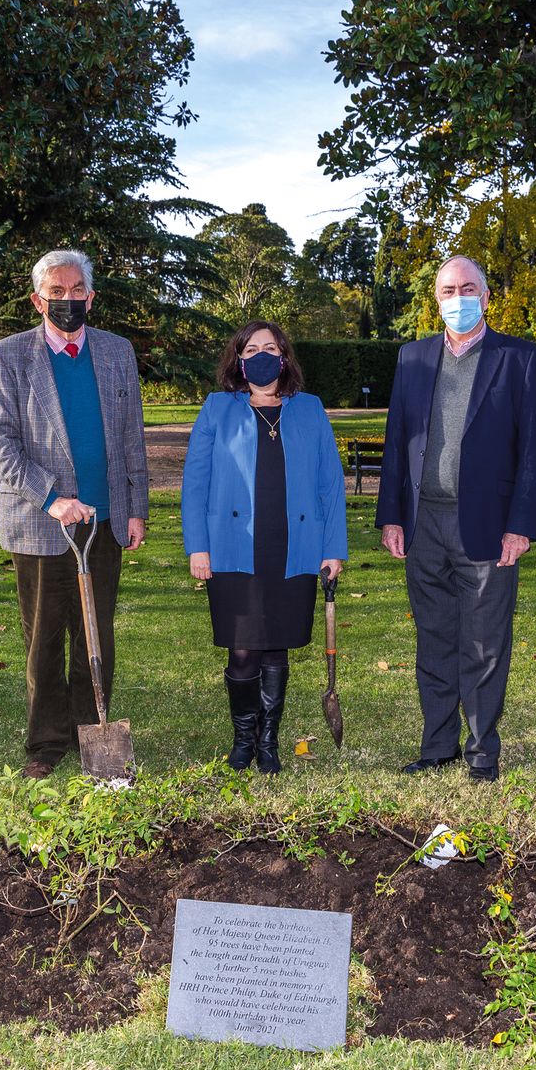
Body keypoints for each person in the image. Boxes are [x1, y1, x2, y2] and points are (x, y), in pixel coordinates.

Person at [376, 255, 536, 782]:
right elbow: (396, 444)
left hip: (489, 526)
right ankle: (437, 747)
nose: (458, 298)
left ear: (486, 296)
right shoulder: (413, 358)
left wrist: (520, 526)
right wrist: (392, 516)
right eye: (448, 290)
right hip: (423, 520)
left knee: (484, 642)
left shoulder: (519, 359)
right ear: (436, 299)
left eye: (468, 288)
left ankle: (481, 753)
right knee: (434, 638)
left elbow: (533, 453)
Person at [0, 249, 148, 779]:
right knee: (45, 636)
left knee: (97, 632)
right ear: (38, 299)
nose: (68, 300)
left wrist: (135, 507)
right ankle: (47, 744)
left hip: (104, 520)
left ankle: (90, 729)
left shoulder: (117, 352)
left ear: (91, 297)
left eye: (78, 291)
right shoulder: (8, 357)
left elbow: (131, 438)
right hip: (41, 522)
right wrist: (52, 497)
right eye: (57, 292)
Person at [182, 320, 347, 774]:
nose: (260, 355)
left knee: (278, 647)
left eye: (269, 347)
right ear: (238, 360)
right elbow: (194, 484)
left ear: (284, 357)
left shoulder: (310, 410)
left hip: (294, 547)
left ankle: (269, 741)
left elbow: (331, 485)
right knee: (242, 648)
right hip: (233, 548)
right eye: (250, 348)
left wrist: (333, 549)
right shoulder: (217, 409)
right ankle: (243, 738)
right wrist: (198, 546)